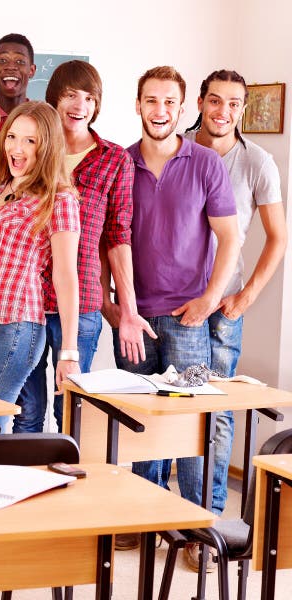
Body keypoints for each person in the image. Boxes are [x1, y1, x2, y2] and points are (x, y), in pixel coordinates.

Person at [107, 66, 239, 552]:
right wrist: (117, 308)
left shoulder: (206, 163)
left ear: (182, 109)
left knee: (191, 422)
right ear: (138, 105)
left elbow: (230, 238)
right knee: (141, 422)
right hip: (134, 320)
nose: (159, 111)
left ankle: (198, 530)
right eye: (150, 101)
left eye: (168, 102)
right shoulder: (119, 162)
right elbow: (106, 241)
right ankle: (145, 518)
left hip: (187, 320)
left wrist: (208, 300)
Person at [15, 60, 154, 433]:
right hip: (24, 299)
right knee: (25, 410)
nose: (80, 105)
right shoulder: (28, 150)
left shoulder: (114, 160)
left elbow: (118, 236)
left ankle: (68, 482)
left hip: (81, 301)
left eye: (89, 98)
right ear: (54, 98)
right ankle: (25, 484)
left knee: (70, 408)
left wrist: (128, 309)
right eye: (71, 95)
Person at [183, 69, 287, 562]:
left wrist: (244, 297)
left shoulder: (257, 161)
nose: (224, 112)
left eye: (234, 104)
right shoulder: (176, 147)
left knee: (217, 414)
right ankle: (159, 516)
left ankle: (208, 525)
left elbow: (278, 237)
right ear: (200, 102)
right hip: (172, 305)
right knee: (164, 412)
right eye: (216, 101)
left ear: (242, 109)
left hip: (222, 311)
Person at [0, 101, 81, 434]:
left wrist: (69, 351)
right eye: (12, 138)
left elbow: (65, 277)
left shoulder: (59, 198)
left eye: (30, 141)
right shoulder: (0, 188)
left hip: (13, 325)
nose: (17, 148)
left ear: (47, 147)